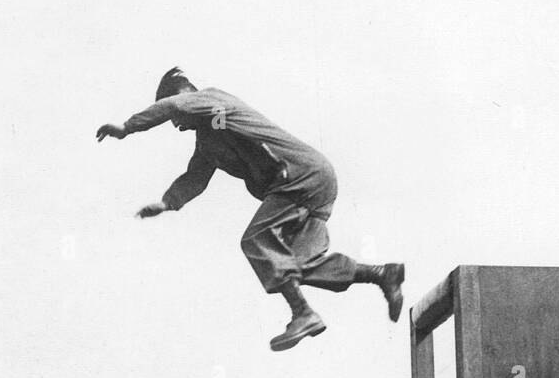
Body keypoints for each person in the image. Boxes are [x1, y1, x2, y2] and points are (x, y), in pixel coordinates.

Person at [96, 68, 405, 352]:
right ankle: (381, 274)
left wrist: (127, 127)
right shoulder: (212, 130)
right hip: (314, 183)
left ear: (186, 93)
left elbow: (175, 107)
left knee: (256, 240)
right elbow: (196, 176)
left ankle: (303, 313)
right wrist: (167, 203)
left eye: (178, 117)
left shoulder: (214, 101)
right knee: (294, 263)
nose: (177, 127)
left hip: (299, 176)